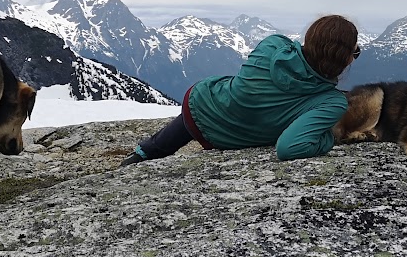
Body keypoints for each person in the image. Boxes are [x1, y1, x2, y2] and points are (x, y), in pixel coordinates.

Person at [119, 14, 360, 166]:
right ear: (346, 60)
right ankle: (143, 154)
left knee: (191, 119)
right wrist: (328, 139)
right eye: (354, 53)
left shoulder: (273, 45)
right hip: (229, 140)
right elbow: (289, 148)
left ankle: (141, 155)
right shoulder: (331, 102)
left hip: (203, 104)